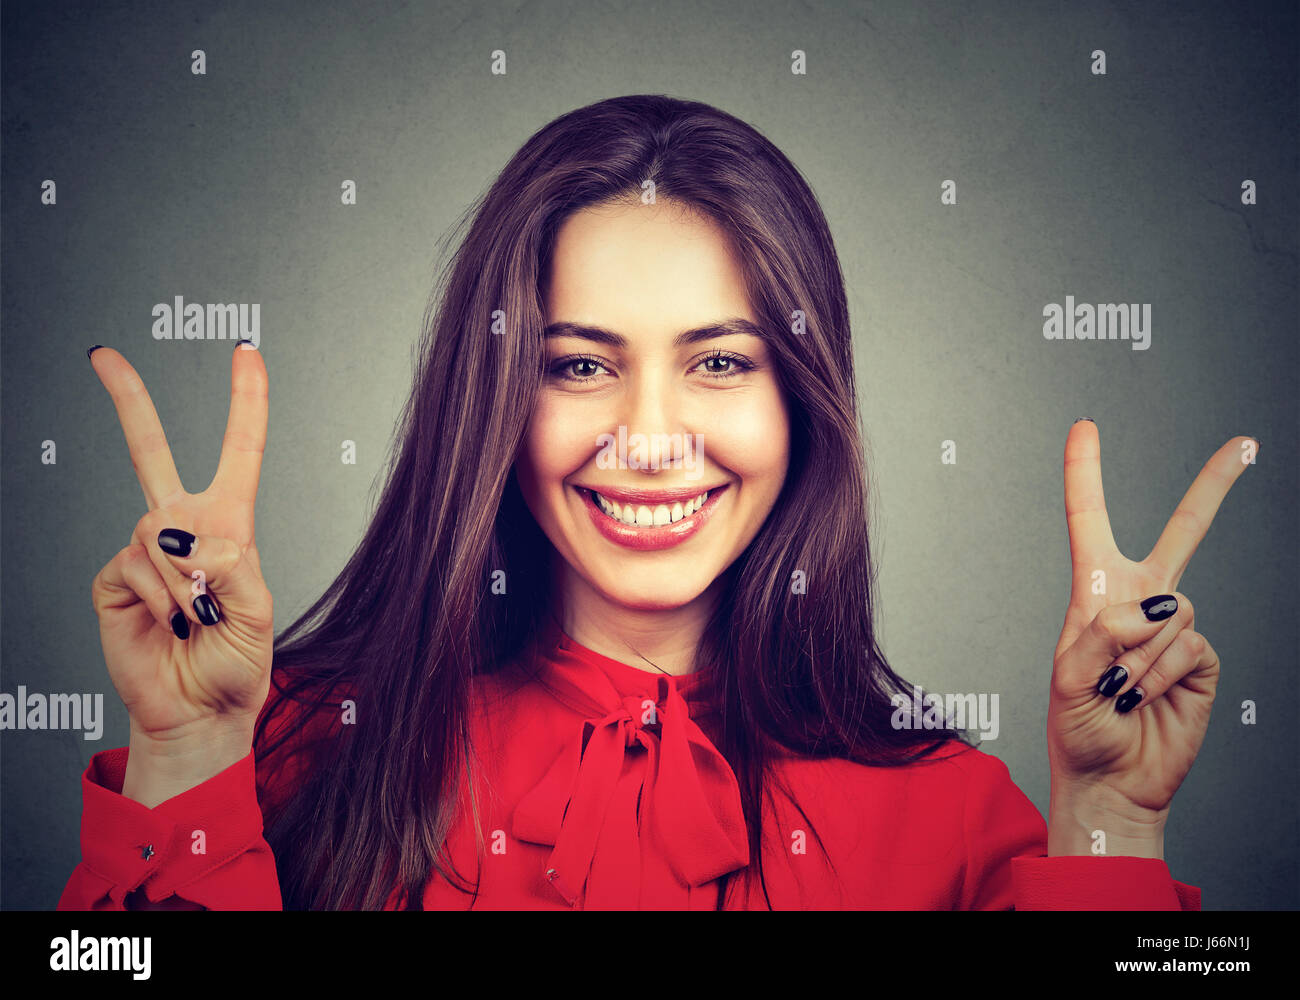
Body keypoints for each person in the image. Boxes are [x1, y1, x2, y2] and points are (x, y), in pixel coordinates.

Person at [59, 95, 1250, 910]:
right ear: (498, 398)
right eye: (578, 363)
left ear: (801, 402)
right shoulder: (304, 747)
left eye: (720, 362)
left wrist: (1108, 824)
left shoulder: (949, 816)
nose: (646, 436)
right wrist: (189, 752)